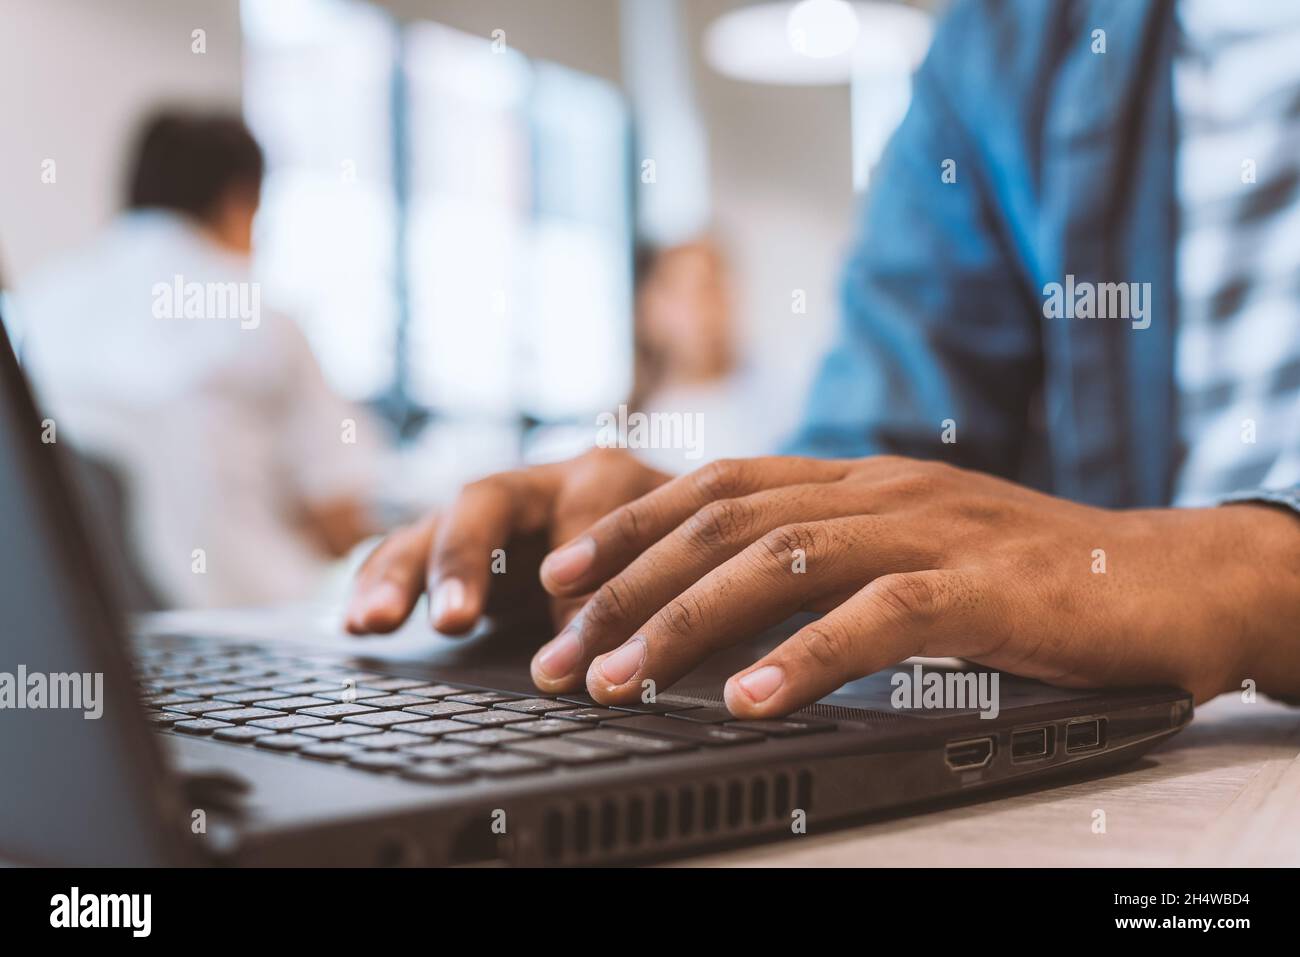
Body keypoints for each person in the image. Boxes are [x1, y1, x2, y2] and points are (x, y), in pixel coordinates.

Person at [346, 0, 1300, 718]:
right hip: (1185, 773)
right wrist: (689, 543)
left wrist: (1239, 572)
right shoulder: (1003, 44)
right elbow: (879, 455)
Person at [15, 111, 380, 608]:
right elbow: (338, 516)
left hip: (85, 631)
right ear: (239, 201)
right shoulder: (259, 315)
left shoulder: (39, 302)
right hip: (252, 623)